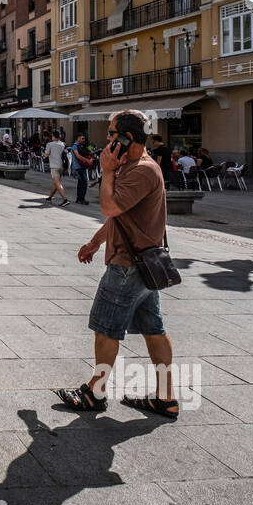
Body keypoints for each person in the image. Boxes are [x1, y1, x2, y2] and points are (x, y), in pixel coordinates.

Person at [56, 109, 178, 419]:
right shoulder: (138, 167)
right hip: (143, 263)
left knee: (105, 329)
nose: (107, 140)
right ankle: (166, 398)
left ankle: (95, 393)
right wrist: (95, 243)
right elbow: (120, 217)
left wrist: (106, 170)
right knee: (154, 329)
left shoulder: (142, 170)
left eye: (111, 134)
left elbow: (110, 206)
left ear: (125, 139)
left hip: (128, 265)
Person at [44, 130, 68, 206]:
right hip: (61, 166)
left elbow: (46, 155)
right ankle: (50, 197)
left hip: (54, 166)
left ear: (53, 136)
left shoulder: (50, 144)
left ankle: (65, 199)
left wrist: (45, 154)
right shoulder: (63, 144)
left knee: (57, 183)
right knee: (55, 183)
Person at [69, 131, 93, 205]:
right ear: (78, 138)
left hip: (82, 166)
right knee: (84, 182)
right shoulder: (75, 146)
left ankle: (79, 199)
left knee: (81, 183)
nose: (83, 140)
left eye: (84, 139)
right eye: (82, 138)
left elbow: (89, 152)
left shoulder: (82, 145)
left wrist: (91, 146)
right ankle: (81, 199)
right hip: (78, 166)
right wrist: (87, 161)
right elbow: (78, 156)